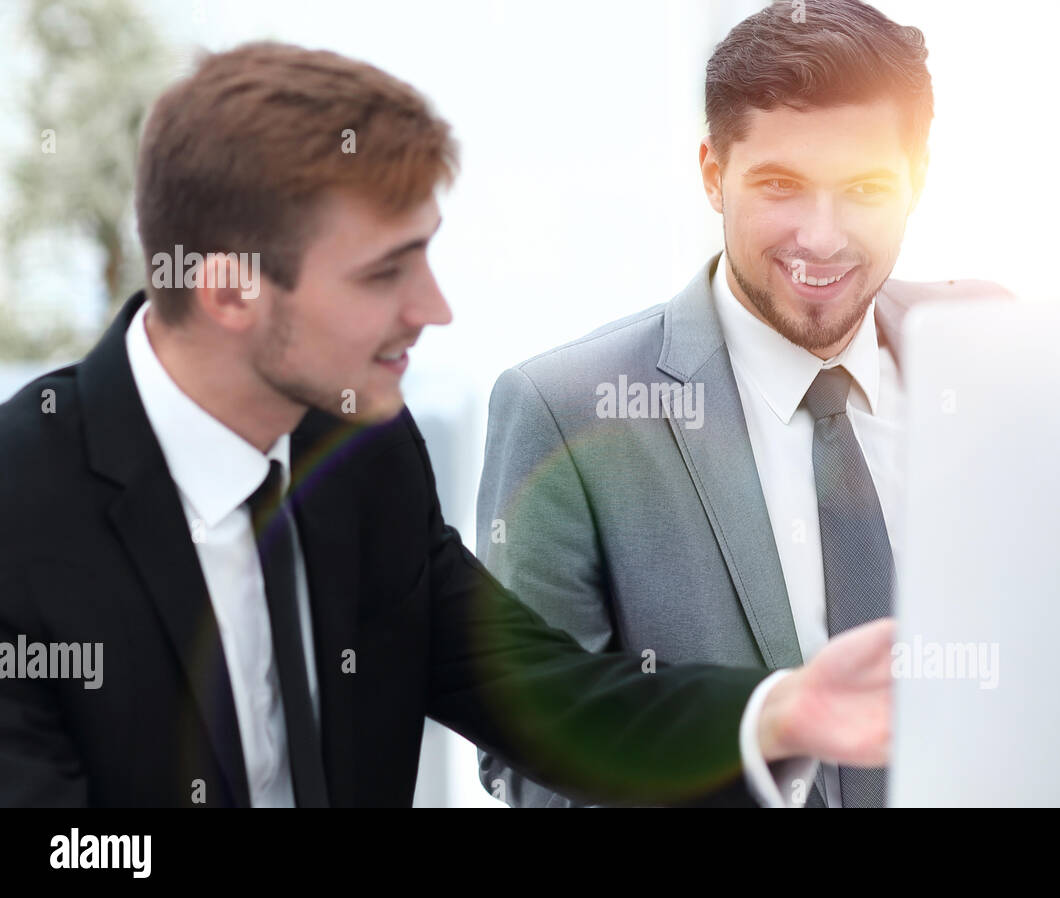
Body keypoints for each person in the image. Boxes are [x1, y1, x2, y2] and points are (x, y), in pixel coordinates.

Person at [0, 41, 895, 808]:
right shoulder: (20, 508)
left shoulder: (364, 455)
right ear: (229, 288)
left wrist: (781, 713)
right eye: (384, 273)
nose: (434, 309)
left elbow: (552, 699)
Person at [477, 0, 1011, 807]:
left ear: (919, 178)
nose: (822, 238)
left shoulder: (990, 343)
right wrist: (763, 754)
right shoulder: (567, 409)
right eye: (781, 186)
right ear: (712, 174)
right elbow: (529, 761)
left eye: (866, 187)